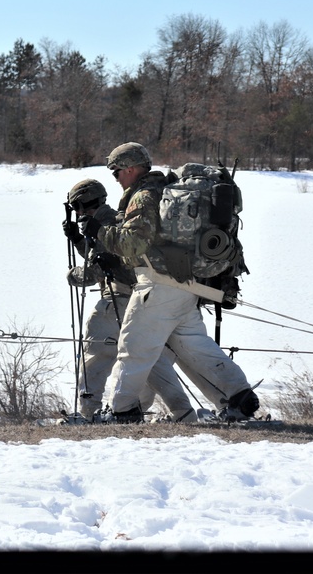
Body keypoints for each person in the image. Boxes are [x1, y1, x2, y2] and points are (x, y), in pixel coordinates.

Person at [85, 143, 259, 423]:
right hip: (184, 286)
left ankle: (122, 411)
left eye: (116, 173)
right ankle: (238, 395)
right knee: (194, 346)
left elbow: (134, 243)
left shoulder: (143, 196)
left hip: (157, 286)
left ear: (130, 169)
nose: (116, 179)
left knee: (133, 348)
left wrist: (102, 232)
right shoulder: (163, 191)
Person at [63, 179, 197, 422]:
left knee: (94, 352)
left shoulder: (99, 225)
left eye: (76, 208)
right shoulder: (117, 220)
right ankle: (183, 411)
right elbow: (102, 256)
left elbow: (95, 272)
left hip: (116, 299)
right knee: (148, 359)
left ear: (81, 205)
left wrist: (73, 275)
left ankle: (86, 412)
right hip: (140, 299)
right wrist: (79, 242)